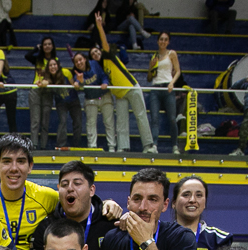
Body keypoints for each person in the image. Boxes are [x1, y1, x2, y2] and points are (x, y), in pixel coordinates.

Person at [27, 159, 121, 250]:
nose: (70, 188)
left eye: (77, 183)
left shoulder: (110, 223)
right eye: (64, 184)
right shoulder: (45, 228)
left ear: (91, 190)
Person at [93, 13, 156, 153]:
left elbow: (104, 43)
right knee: (121, 121)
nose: (96, 54)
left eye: (97, 52)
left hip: (131, 87)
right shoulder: (100, 70)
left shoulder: (108, 56)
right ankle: (123, 147)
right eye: (93, 54)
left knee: (140, 116)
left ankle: (149, 146)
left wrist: (99, 27)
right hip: (119, 94)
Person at [171, 175, 232, 250]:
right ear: (174, 203)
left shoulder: (219, 239)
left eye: (199, 195)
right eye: (186, 195)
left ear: (204, 203)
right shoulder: (161, 235)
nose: (192, 200)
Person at [72, 52, 115, 151]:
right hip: (91, 99)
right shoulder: (77, 73)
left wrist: (105, 82)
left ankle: (112, 146)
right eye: (76, 61)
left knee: (109, 122)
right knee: (91, 123)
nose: (79, 62)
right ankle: (92, 146)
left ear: (85, 59)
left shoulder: (94, 64)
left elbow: (104, 76)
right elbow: (78, 84)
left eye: (80, 59)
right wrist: (79, 82)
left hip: (104, 96)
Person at [147, 32, 182, 154]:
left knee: (172, 118)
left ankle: (175, 146)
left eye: (165, 39)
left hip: (167, 87)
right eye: (161, 39)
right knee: (154, 118)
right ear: (157, 41)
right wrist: (151, 67)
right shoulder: (154, 56)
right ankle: (154, 145)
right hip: (155, 88)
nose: (163, 41)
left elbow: (178, 71)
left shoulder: (171, 53)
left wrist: (172, 82)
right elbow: (149, 78)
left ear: (168, 42)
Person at [25, 36, 57, 150]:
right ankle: (33, 145)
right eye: (45, 44)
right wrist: (36, 48)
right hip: (35, 90)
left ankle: (43, 146)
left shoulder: (55, 61)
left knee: (45, 121)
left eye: (49, 44)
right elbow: (27, 56)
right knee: (35, 120)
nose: (47, 46)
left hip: (48, 91)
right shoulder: (38, 59)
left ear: (52, 46)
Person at [45, 57, 82, 149]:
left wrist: (78, 83)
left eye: (54, 64)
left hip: (74, 101)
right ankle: (61, 145)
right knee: (63, 121)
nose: (53, 67)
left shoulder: (66, 72)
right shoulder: (48, 77)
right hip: (61, 103)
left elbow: (74, 86)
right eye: (50, 65)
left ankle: (76, 145)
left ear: (58, 65)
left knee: (78, 122)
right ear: (48, 68)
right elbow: (43, 82)